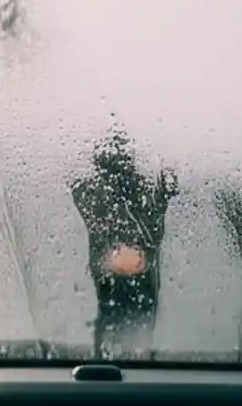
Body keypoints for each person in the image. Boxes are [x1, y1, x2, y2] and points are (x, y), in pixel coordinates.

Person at [70, 130, 177, 357]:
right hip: (116, 271)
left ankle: (125, 354)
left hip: (135, 273)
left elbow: (161, 200)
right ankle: (110, 354)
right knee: (115, 311)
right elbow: (77, 191)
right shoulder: (96, 192)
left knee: (130, 314)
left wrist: (165, 186)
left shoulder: (139, 190)